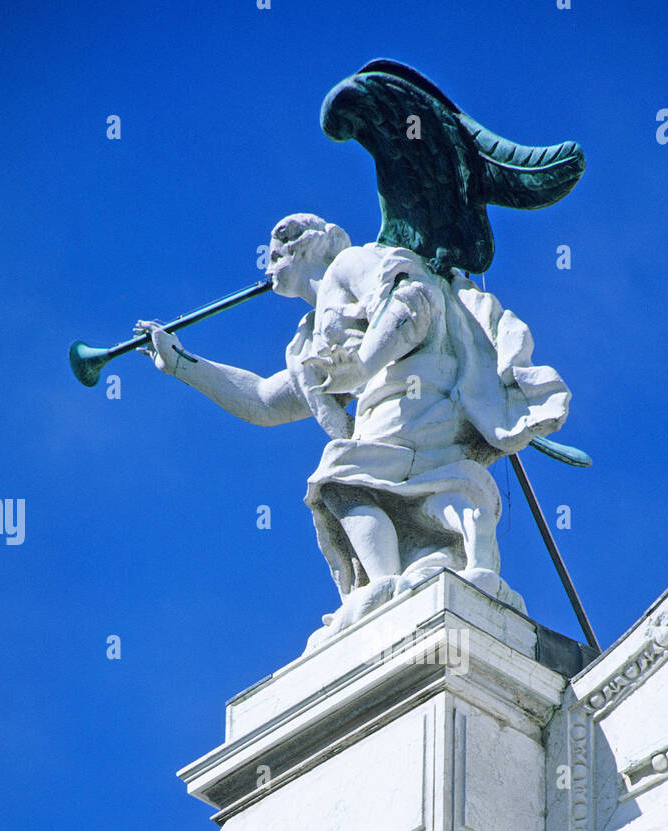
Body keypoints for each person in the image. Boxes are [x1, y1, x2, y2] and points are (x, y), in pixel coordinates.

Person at [136, 213, 571, 644]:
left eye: (274, 255)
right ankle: (430, 563)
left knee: (344, 480)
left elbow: (414, 304)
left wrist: (361, 366)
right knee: (405, 490)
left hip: (416, 390)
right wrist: (181, 363)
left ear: (304, 247)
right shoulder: (312, 334)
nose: (266, 268)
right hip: (399, 403)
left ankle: (387, 582)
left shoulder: (350, 265)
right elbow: (264, 402)